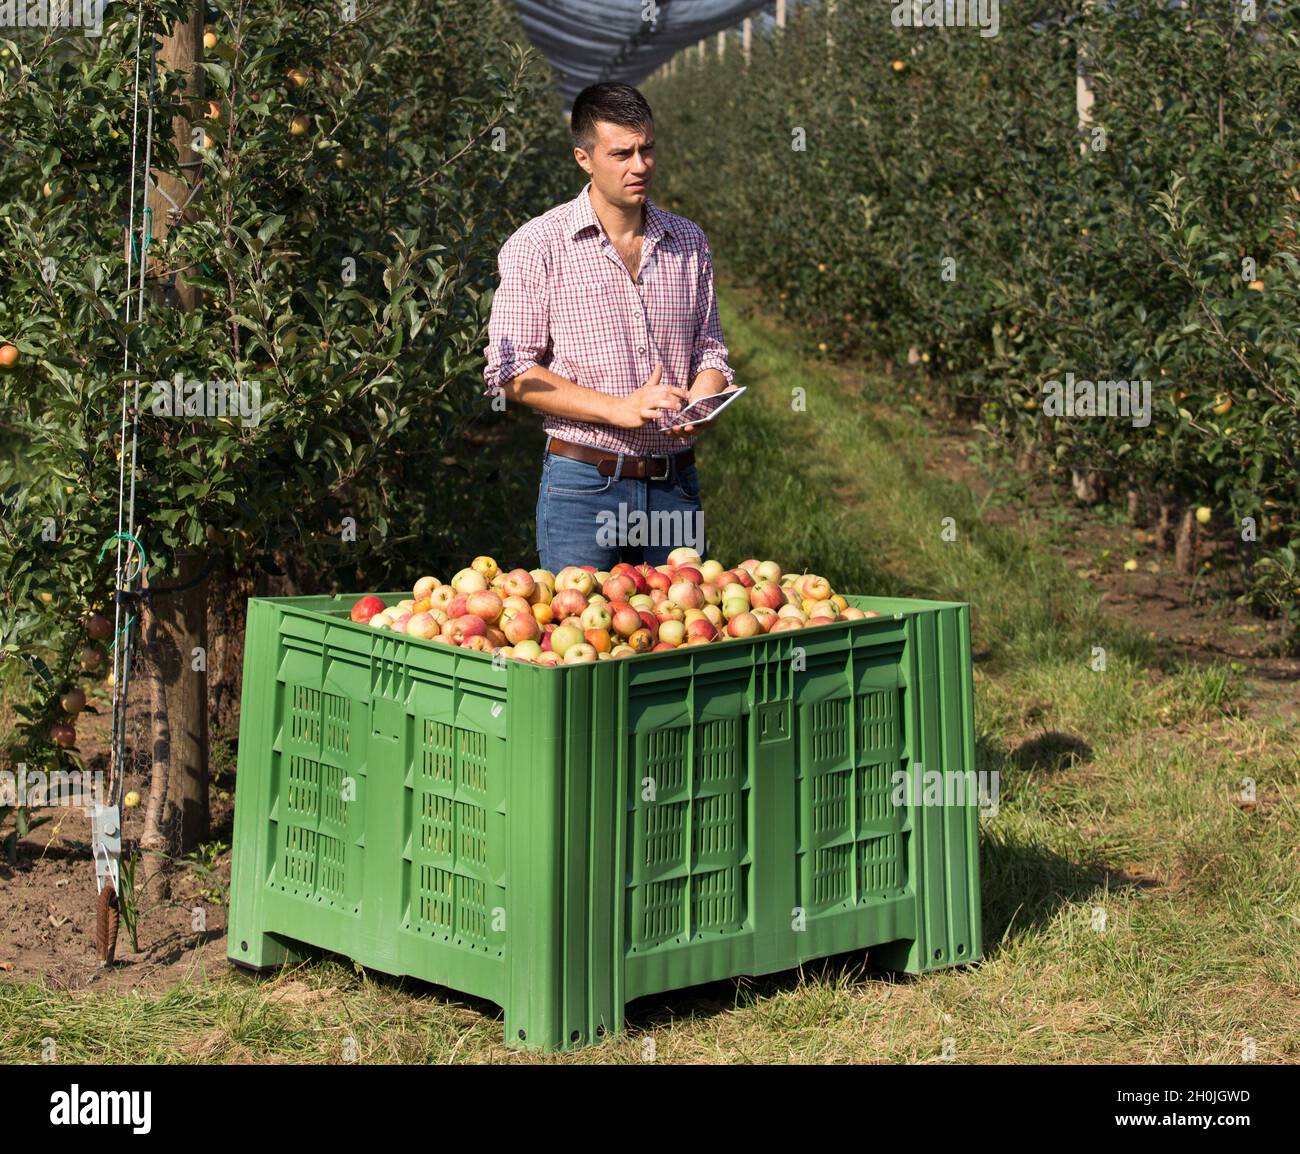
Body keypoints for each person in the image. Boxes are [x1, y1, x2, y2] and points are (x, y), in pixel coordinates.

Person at [482, 82, 736, 573]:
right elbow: (510, 372)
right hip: (583, 481)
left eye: (647, 149)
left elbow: (710, 349)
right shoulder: (539, 246)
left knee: (677, 638)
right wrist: (617, 410)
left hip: (672, 483)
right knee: (580, 640)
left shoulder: (688, 241)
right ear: (584, 158)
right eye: (621, 153)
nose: (639, 165)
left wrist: (703, 398)